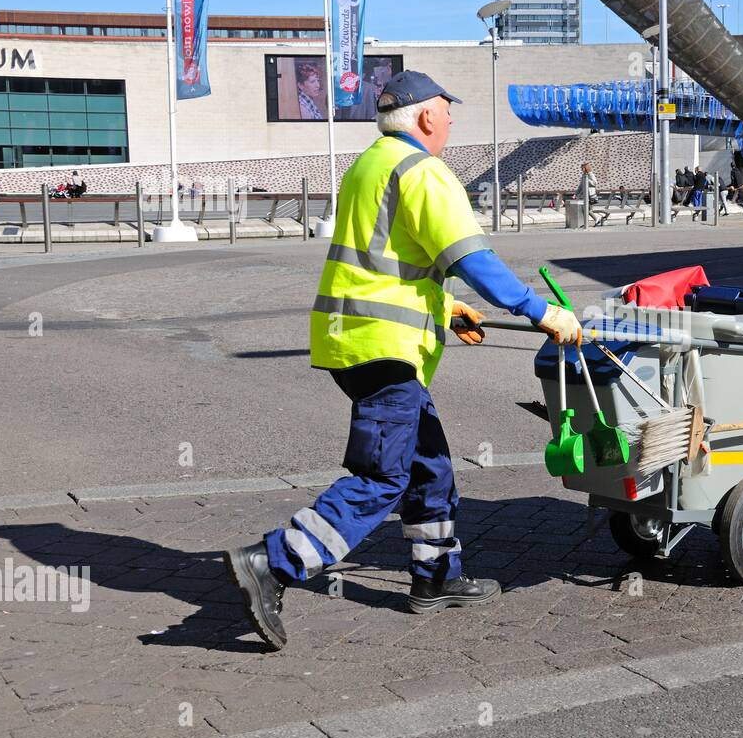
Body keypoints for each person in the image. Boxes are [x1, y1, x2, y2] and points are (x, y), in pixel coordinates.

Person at [224, 71, 582, 651]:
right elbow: (474, 257)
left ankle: (436, 578)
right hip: (384, 348)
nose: (450, 121)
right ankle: (273, 563)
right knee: (382, 475)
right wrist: (543, 313)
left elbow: (390, 261)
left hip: (358, 340)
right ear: (424, 117)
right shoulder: (423, 171)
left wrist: (445, 311)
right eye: (447, 111)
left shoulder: (370, 164)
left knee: (430, 463)